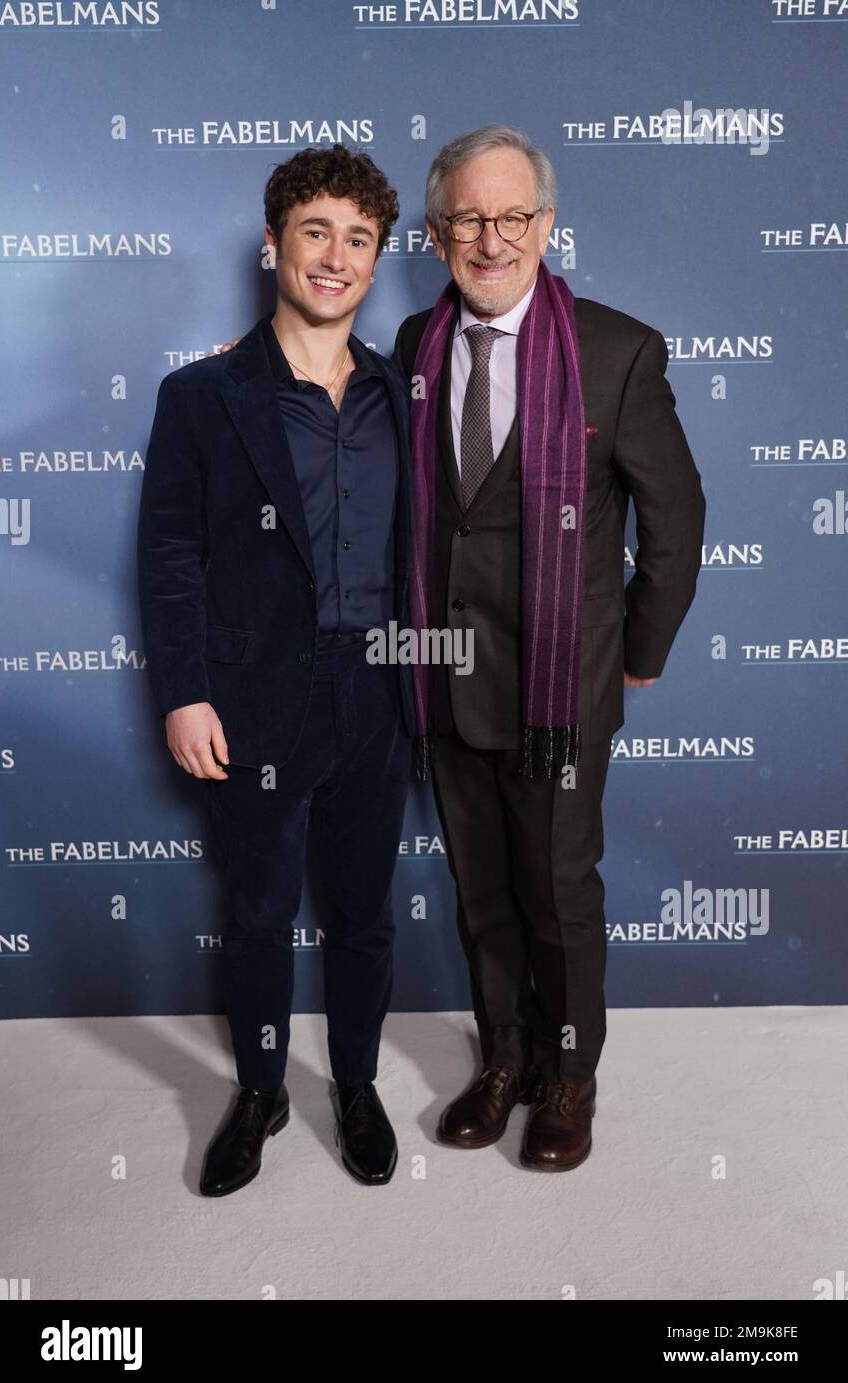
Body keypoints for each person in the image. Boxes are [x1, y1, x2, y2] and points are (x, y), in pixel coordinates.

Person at [392, 125, 706, 1170]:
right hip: (444, 676)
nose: (492, 239)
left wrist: (640, 650)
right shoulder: (411, 345)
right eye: (468, 219)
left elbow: (673, 516)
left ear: (546, 225)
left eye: (512, 215)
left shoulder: (617, 351)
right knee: (481, 890)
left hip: (558, 688)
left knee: (558, 893)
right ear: (437, 233)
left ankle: (567, 1076)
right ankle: (505, 1059)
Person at [137, 145, 414, 1195]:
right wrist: (182, 689)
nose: (334, 257)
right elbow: (170, 553)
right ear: (273, 246)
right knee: (256, 910)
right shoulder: (203, 395)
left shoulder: (403, 393)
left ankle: (353, 1082)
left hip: (379, 692)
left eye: (357, 240)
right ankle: (259, 1088)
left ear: (376, 259)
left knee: (364, 911)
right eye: (315, 233)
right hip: (250, 695)